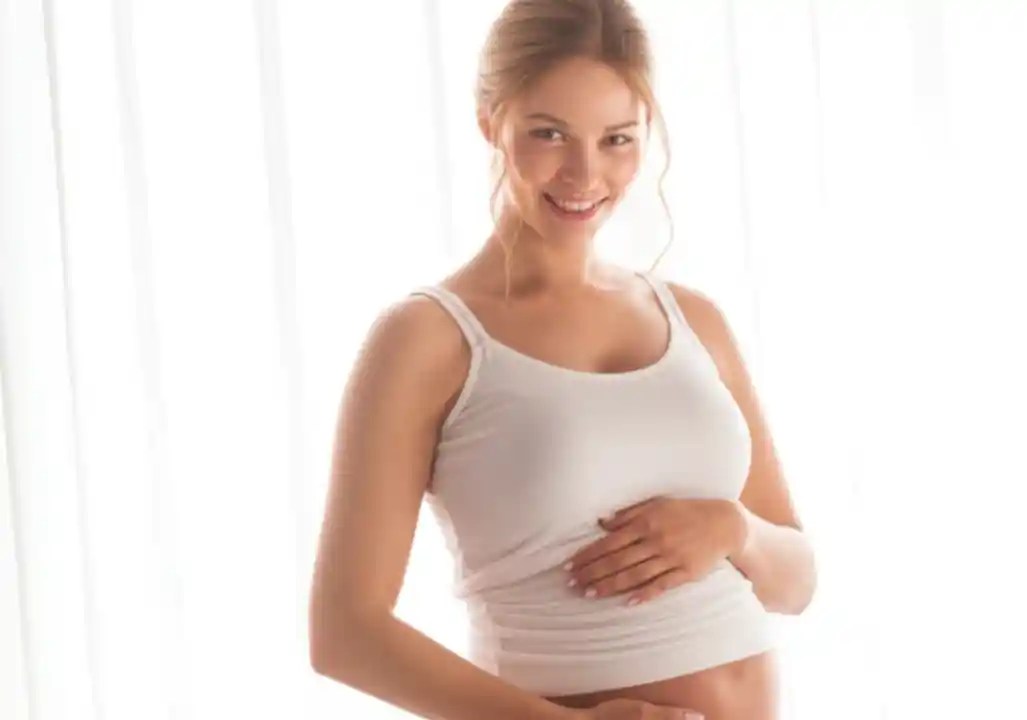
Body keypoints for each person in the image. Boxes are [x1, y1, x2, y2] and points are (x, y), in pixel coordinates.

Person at [307, 1, 817, 718]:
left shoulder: (695, 320)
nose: (584, 173)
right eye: (549, 134)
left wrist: (733, 527)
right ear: (491, 120)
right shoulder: (430, 338)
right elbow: (346, 634)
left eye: (617, 139)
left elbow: (796, 582)